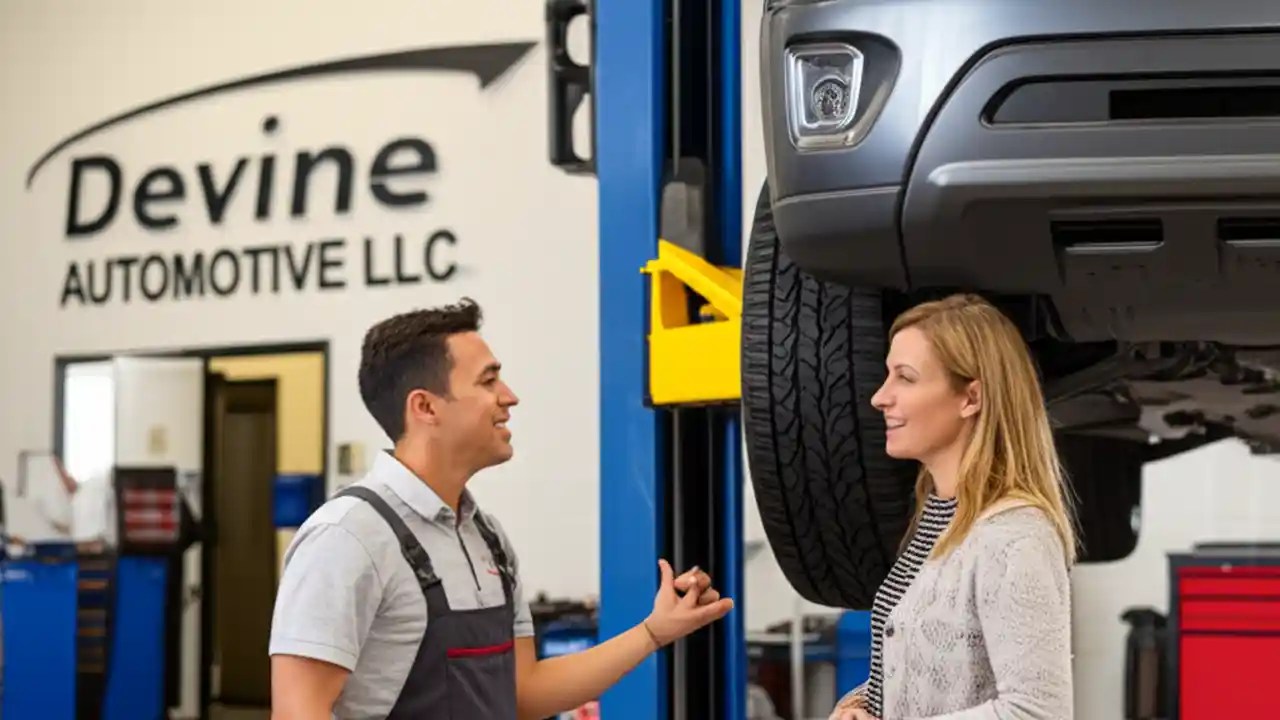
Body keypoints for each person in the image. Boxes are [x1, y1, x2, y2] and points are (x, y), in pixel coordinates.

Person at [269, 298, 734, 720]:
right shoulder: (348, 538)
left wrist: (653, 632)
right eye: (489, 380)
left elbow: (524, 693)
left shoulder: (486, 538)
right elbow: (298, 712)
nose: (509, 397)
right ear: (426, 407)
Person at [829, 294, 1076, 720]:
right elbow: (923, 664)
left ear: (971, 398)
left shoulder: (1015, 536)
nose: (879, 398)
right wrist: (858, 704)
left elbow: (1037, 711)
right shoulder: (941, 517)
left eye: (905, 378)